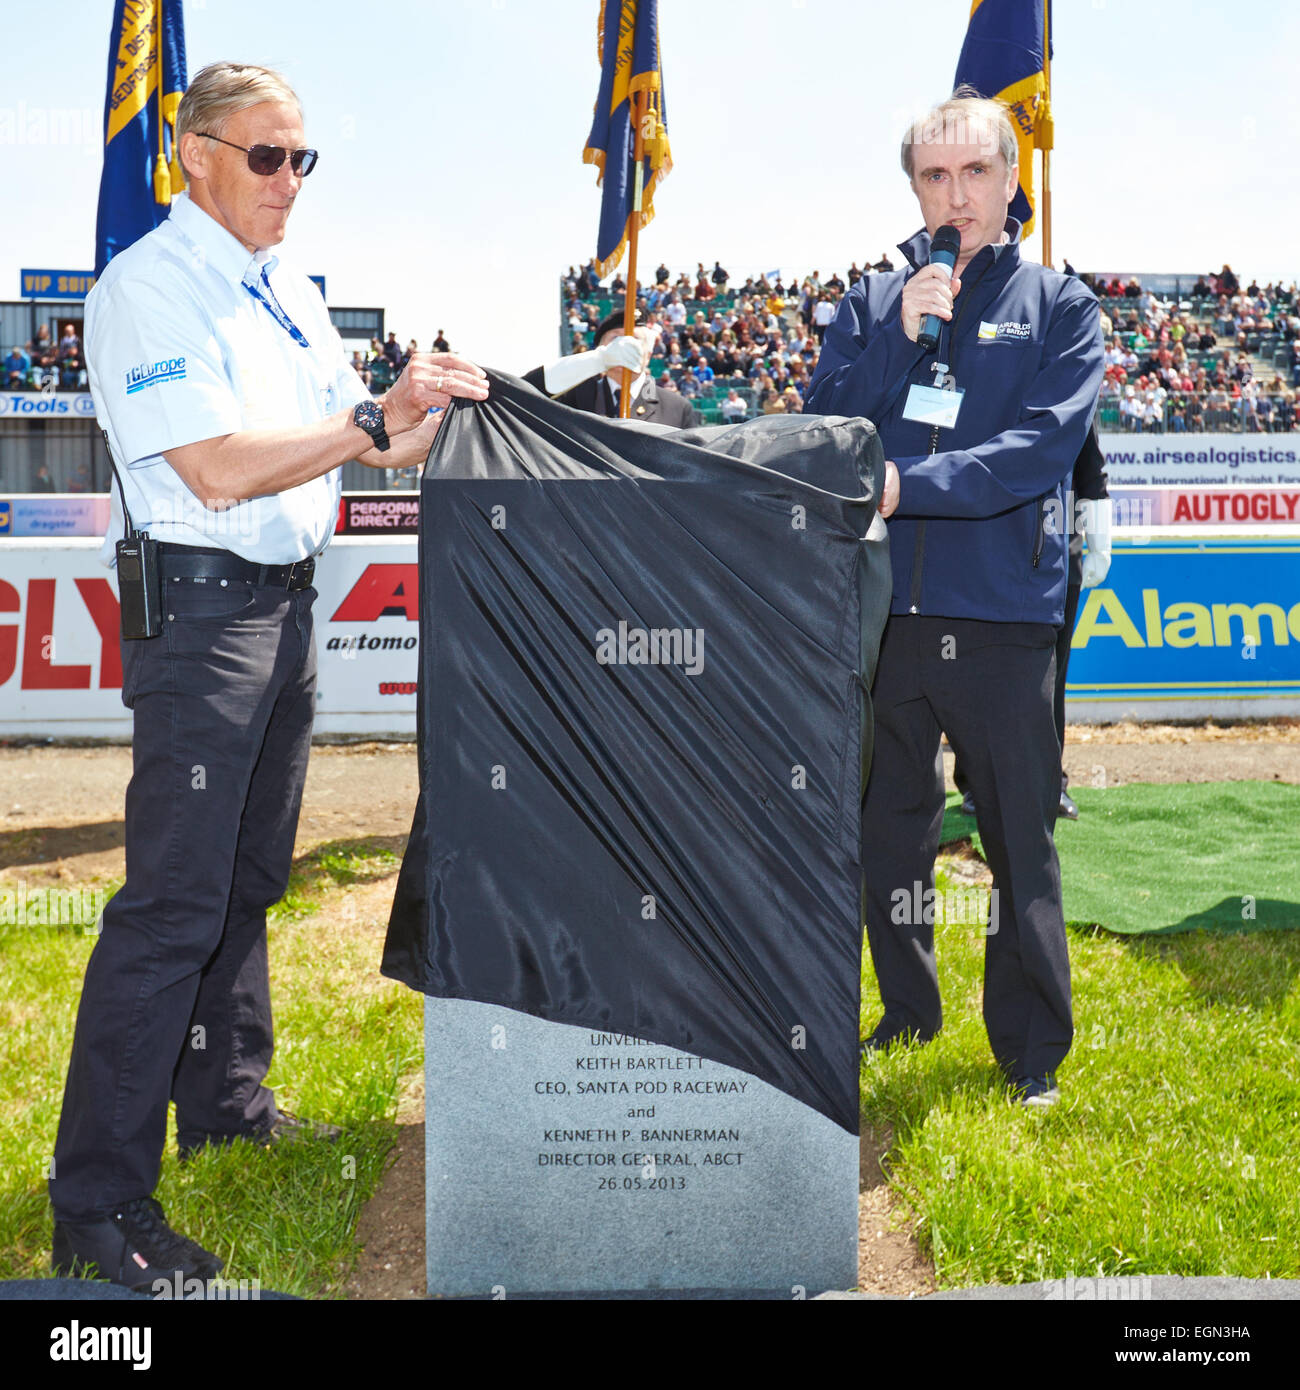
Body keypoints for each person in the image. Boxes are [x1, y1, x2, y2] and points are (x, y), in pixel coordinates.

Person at [49, 61, 488, 1292]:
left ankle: (226, 1103)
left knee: (245, 881)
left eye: (303, 159)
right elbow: (214, 469)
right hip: (203, 618)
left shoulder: (284, 286)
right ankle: (97, 1204)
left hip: (283, 609)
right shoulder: (149, 290)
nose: (290, 181)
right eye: (265, 156)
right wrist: (366, 427)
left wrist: (440, 407)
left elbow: (372, 435)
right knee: (170, 909)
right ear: (195, 157)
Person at [805, 88, 1103, 1109]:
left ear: (1009, 183)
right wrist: (894, 335)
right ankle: (907, 1007)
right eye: (934, 175)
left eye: (975, 172)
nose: (954, 194)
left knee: (1018, 829)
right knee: (888, 824)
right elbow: (823, 429)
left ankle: (1030, 1051)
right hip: (882, 611)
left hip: (1004, 614)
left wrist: (906, 484)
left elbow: (1033, 455)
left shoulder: (1058, 308)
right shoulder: (871, 301)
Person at [957, 422, 1111, 821]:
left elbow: (1091, 470)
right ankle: (977, 783)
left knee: (1050, 678)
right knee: (977, 674)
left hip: (1059, 560)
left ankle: (1048, 784)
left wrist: (1100, 546)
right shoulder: (983, 373)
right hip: (983, 553)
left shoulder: (1073, 379)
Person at [525, 308, 698, 426]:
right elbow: (521, 393)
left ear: (649, 354)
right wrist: (598, 360)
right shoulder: (573, 398)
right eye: (615, 339)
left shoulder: (677, 409)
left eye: (634, 340)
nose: (623, 346)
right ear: (600, 349)